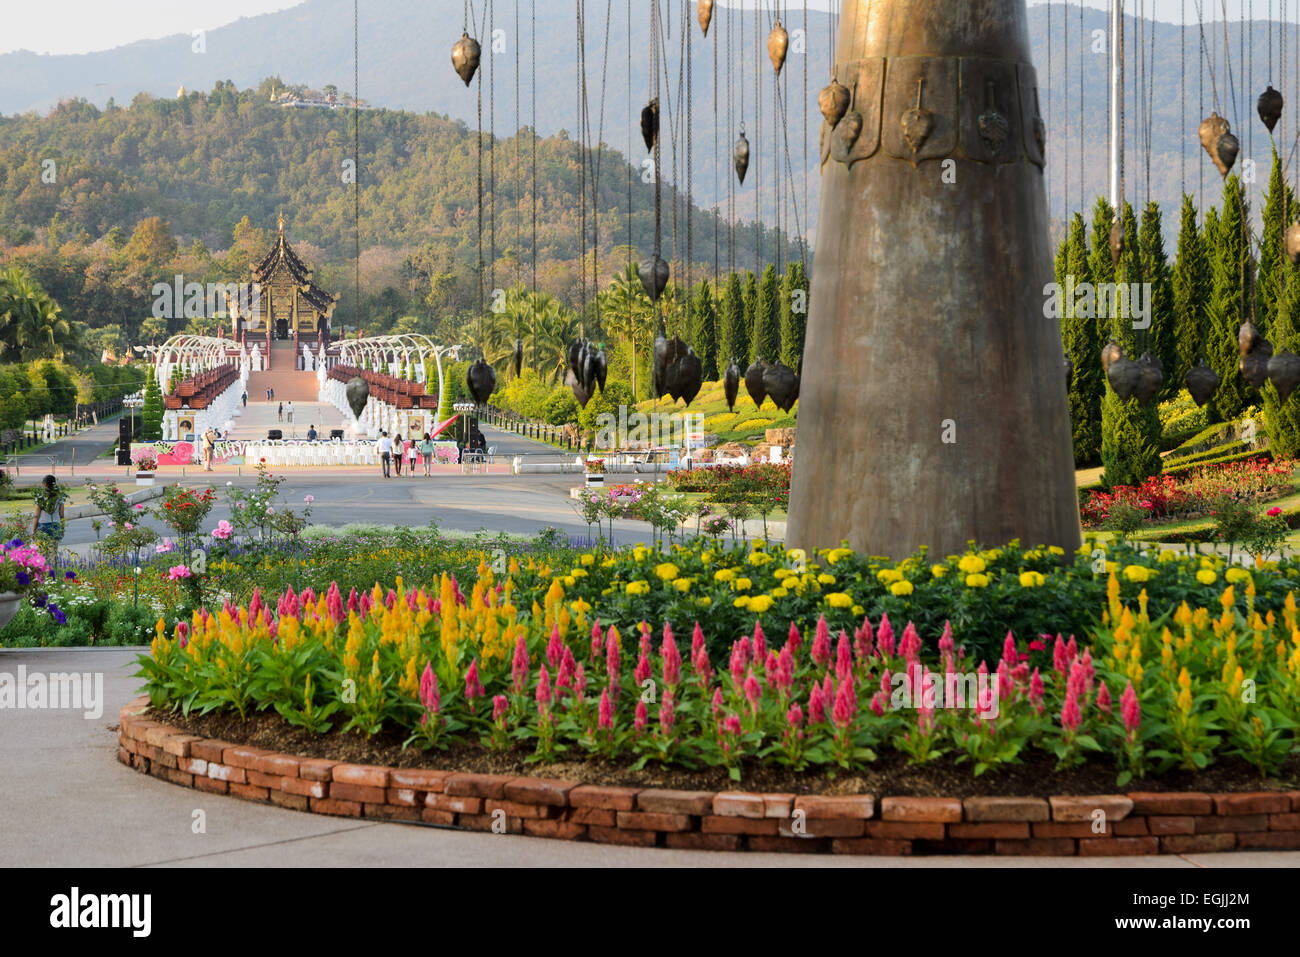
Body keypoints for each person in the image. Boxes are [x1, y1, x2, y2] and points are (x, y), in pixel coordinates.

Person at [32, 474, 66, 565]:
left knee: (42, 554)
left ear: (44, 484)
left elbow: (36, 515)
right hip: (56, 525)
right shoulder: (59, 497)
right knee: (53, 554)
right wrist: (62, 529)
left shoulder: (40, 497)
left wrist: (33, 530)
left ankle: (43, 571)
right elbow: (61, 515)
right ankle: (54, 571)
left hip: (42, 526)